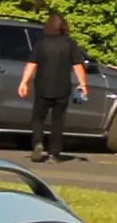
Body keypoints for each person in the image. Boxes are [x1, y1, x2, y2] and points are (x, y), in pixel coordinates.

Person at [19, 11, 86, 162]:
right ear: (63, 27)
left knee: (38, 117)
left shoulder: (41, 43)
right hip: (62, 88)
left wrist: (24, 82)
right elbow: (78, 65)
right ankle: (54, 153)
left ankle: (37, 142)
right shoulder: (69, 43)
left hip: (43, 86)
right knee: (58, 120)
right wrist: (83, 84)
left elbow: (31, 64)